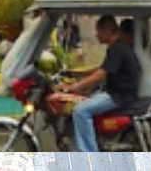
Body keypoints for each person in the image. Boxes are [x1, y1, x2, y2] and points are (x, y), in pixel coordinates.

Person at [56, 15, 141, 153]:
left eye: (98, 31)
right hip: (115, 93)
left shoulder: (117, 49)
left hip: (119, 96)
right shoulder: (116, 48)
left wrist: (74, 87)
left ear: (107, 31)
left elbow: (101, 73)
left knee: (80, 111)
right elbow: (101, 69)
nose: (96, 35)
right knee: (82, 100)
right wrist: (74, 73)